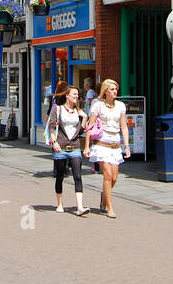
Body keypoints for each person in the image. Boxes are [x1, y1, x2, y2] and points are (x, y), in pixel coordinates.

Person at [85, 78, 129, 219]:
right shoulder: (97, 105)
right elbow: (90, 127)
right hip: (101, 143)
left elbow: (124, 127)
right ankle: (109, 207)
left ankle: (105, 196)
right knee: (108, 175)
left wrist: (127, 146)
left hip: (115, 144)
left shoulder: (121, 106)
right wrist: (86, 146)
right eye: (112, 89)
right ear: (105, 91)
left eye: (116, 89)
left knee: (114, 178)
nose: (115, 91)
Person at [47, 85, 88, 216]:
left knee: (77, 176)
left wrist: (85, 118)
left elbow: (80, 131)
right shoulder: (57, 109)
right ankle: (59, 204)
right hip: (61, 147)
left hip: (75, 147)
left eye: (77, 94)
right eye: (74, 94)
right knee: (60, 176)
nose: (76, 96)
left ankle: (80, 207)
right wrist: (54, 143)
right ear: (67, 95)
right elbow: (52, 128)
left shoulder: (79, 112)